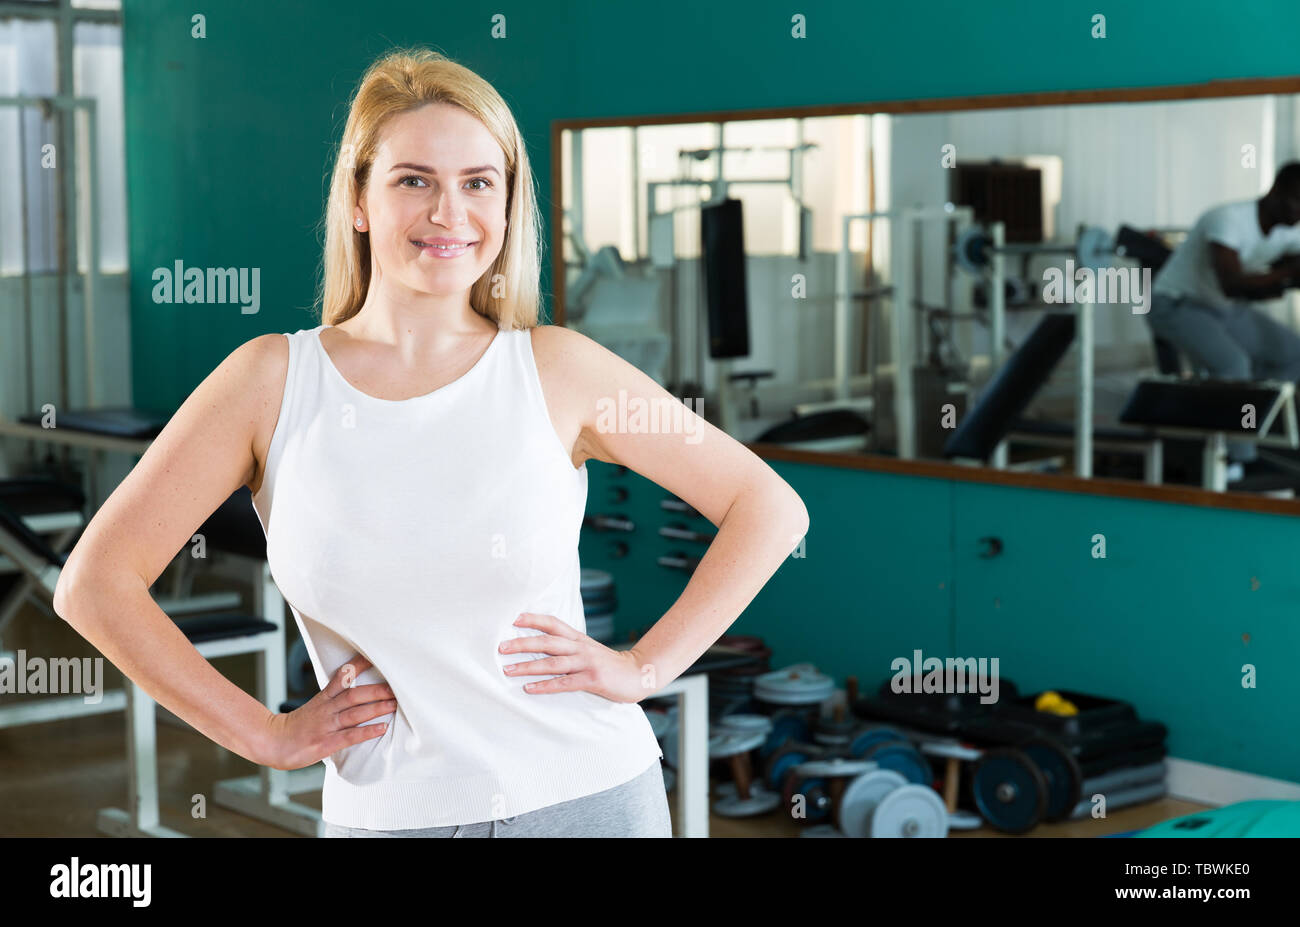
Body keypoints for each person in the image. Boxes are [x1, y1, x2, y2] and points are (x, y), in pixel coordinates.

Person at [52, 48, 809, 838]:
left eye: (479, 182)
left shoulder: (556, 369)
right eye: (415, 180)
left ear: (509, 205)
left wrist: (644, 667)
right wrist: (263, 733)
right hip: (388, 818)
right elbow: (95, 582)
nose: (451, 214)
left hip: (589, 800)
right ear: (358, 199)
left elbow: (767, 505)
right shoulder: (270, 382)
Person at [1145, 162, 1300, 477]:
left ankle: (1259, 436)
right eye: (1298, 201)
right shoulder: (1228, 219)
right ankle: (1236, 459)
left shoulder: (1291, 229)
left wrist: (1286, 276)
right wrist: (1285, 274)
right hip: (1176, 305)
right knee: (1233, 365)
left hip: (1226, 308)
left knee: (1290, 352)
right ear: (1276, 192)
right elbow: (1232, 281)